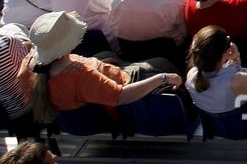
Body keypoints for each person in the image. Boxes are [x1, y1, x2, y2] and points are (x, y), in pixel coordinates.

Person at [20, 11, 181, 124]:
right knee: (161, 62)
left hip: (102, 72)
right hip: (122, 84)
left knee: (104, 53)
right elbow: (120, 96)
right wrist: (163, 78)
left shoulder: (29, 65)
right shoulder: (80, 75)